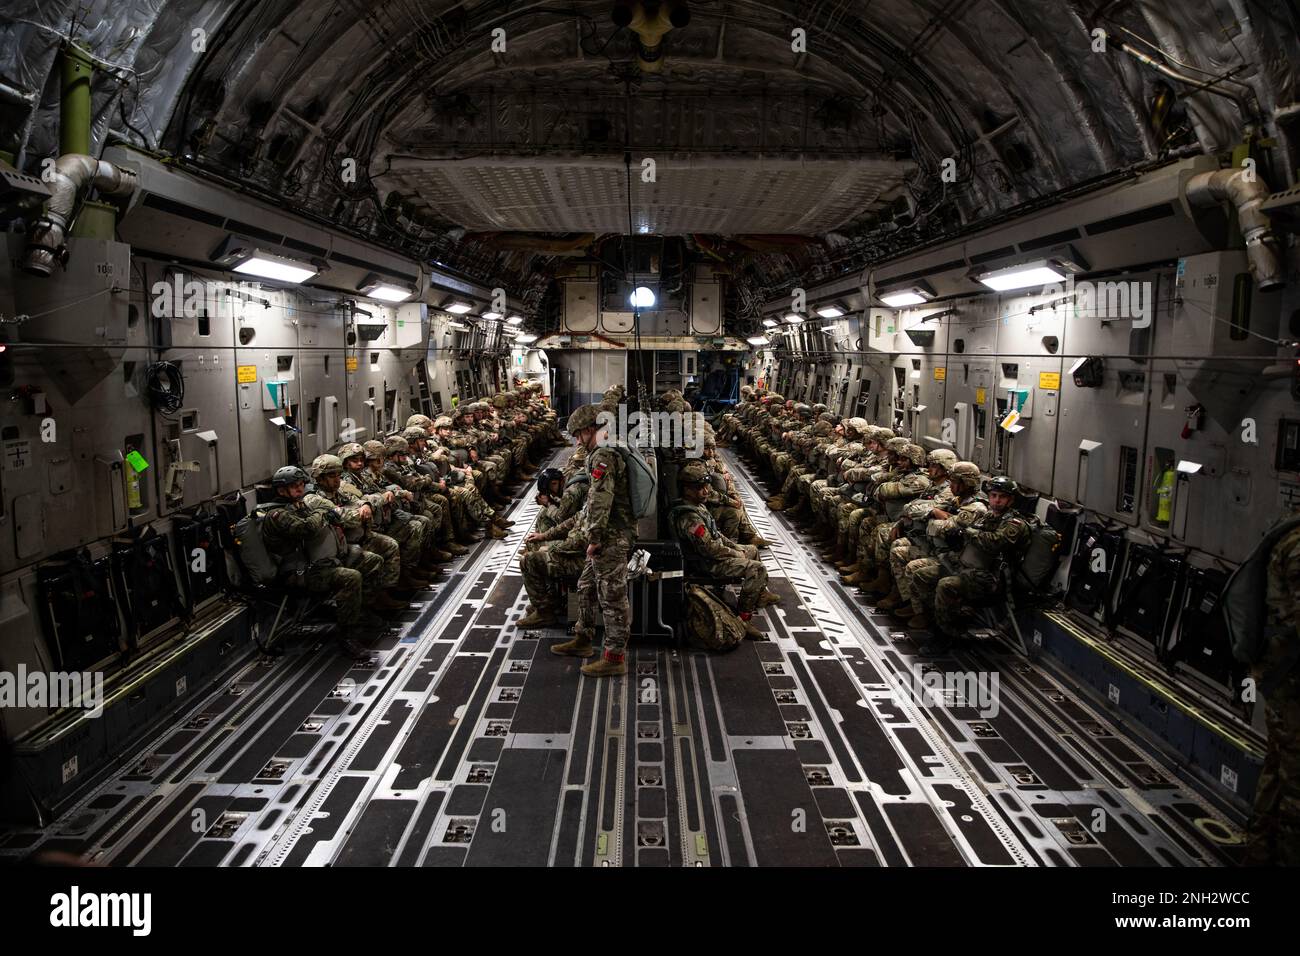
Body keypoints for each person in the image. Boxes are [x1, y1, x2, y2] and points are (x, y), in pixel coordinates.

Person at [260, 465, 386, 660]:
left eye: (302, 484)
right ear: (281, 490)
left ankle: (360, 613)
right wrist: (323, 512)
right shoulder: (277, 515)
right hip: (300, 573)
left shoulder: (301, 506)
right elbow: (306, 528)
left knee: (372, 561)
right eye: (294, 486)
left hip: (319, 564)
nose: (300, 489)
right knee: (351, 578)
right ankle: (347, 637)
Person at [550, 403, 636, 676]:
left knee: (612, 598)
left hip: (610, 537)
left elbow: (601, 499)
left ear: (589, 430)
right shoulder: (609, 446)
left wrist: (595, 536)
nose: (577, 441)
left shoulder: (603, 456)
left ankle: (614, 658)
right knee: (586, 585)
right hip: (605, 533)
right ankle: (583, 639)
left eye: (578, 435)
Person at [911, 476, 1028, 656]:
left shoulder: (1014, 524)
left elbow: (995, 542)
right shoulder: (986, 516)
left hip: (990, 579)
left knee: (946, 585)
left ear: (1010, 500)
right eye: (994, 495)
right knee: (922, 575)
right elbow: (965, 531)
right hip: (966, 569)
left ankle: (947, 636)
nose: (997, 500)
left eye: (1002, 497)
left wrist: (967, 531)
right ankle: (940, 622)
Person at [1245, 511, 1300, 865]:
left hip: (1283, 677)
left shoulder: (1289, 530)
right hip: (1292, 682)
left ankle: (1260, 850)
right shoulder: (1296, 546)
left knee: (1278, 770)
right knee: (1294, 783)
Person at [672, 460, 779, 639]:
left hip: (713, 555)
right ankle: (743, 618)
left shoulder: (698, 506)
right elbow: (710, 549)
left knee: (752, 549)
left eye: (707, 487)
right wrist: (735, 553)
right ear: (688, 490)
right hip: (706, 563)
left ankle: (759, 594)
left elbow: (716, 535)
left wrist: (735, 546)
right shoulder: (689, 518)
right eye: (701, 488)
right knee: (757, 568)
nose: (706, 491)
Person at [305, 455, 406, 611]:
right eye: (332, 476)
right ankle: (364, 609)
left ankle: (382, 596)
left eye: (338, 475)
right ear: (319, 478)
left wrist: (365, 504)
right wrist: (361, 511)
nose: (337, 480)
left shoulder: (339, 492)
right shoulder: (314, 499)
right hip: (335, 551)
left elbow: (361, 500)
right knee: (371, 561)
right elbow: (346, 518)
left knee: (389, 546)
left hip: (353, 540)